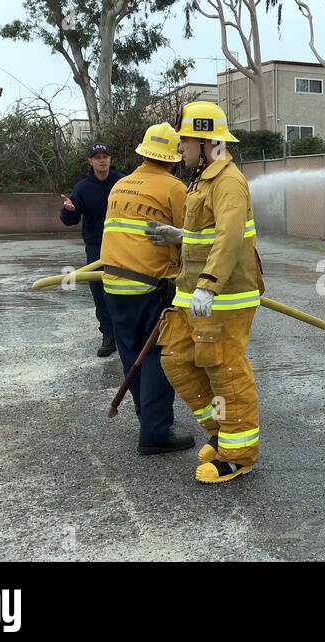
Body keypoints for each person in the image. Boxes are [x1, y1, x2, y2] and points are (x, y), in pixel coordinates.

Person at [146, 101, 264, 484]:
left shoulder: (228, 181)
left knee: (226, 369)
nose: (180, 148)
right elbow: (209, 233)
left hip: (223, 296)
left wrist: (209, 286)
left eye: (185, 141)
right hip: (192, 292)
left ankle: (238, 454)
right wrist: (178, 236)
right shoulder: (203, 177)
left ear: (205, 141)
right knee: (176, 359)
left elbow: (230, 237)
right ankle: (222, 430)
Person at [99, 123, 193, 455]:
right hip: (151, 284)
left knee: (131, 353)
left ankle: (147, 418)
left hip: (113, 282)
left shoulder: (120, 186)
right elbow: (190, 237)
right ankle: (155, 432)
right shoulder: (174, 188)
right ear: (173, 157)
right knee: (157, 354)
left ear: (143, 153)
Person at [61, 143, 123, 357]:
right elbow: (70, 219)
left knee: (125, 289)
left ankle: (125, 333)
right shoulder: (82, 188)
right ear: (90, 161)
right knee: (99, 291)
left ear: (110, 159)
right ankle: (108, 335)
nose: (102, 160)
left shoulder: (123, 183)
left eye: (105, 156)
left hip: (124, 245)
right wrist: (69, 210)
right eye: (97, 157)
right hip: (96, 246)